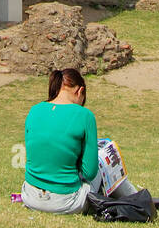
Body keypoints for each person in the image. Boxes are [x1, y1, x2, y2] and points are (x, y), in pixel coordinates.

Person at [21, 67, 150, 215]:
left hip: (30, 196)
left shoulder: (34, 110)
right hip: (65, 201)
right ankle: (136, 199)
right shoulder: (84, 116)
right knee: (104, 160)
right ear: (80, 91)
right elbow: (90, 172)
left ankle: (135, 198)